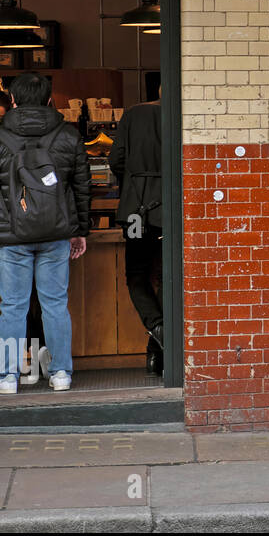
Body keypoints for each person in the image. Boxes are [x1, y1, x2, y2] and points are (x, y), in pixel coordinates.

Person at [0, 72, 91, 395]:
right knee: (55, 303)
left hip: (13, 236)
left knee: (13, 306)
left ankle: (8, 377)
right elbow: (82, 187)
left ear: (12, 100)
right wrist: (80, 230)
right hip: (56, 234)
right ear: (50, 100)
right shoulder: (69, 136)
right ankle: (61, 373)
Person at [110, 90, 164, 375]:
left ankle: (157, 330)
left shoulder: (133, 113)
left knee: (137, 275)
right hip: (172, 205)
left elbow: (115, 160)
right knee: (168, 277)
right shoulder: (185, 114)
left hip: (136, 208)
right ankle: (162, 339)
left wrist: (133, 180)